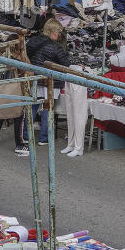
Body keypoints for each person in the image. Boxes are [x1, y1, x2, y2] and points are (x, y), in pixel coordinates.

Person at [31, 18, 85, 156]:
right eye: (58, 32)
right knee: (47, 108)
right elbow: (65, 64)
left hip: (35, 78)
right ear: (53, 31)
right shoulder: (55, 47)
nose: (59, 35)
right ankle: (44, 138)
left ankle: (26, 136)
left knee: (32, 106)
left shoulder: (32, 41)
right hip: (50, 81)